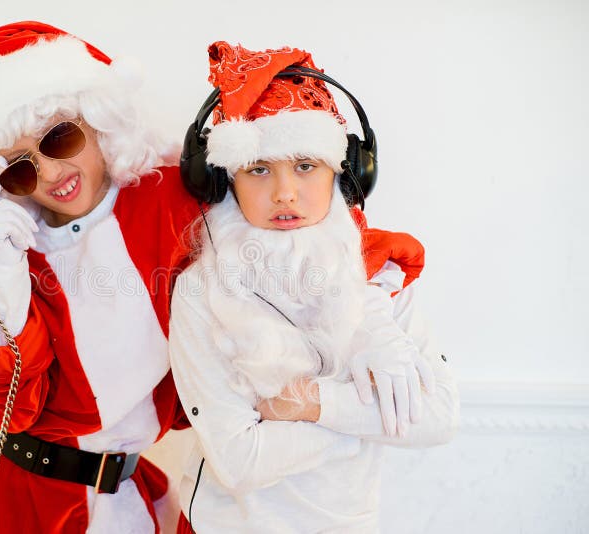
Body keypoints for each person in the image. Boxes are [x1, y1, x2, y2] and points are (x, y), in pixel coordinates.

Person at [168, 41, 460, 533]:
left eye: (305, 165)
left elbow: (439, 417)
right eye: (259, 169)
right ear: (222, 182)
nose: (285, 192)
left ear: (344, 175)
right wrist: (368, 422)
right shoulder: (200, 292)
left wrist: (309, 404)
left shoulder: (383, 278)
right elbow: (238, 461)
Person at [0, 22, 199, 533]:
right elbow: (11, 404)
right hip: (18, 494)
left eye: (60, 137)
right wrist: (6, 271)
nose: (50, 173)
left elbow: (281, 237)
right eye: (20, 166)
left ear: (99, 120)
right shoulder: (5, 242)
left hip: (124, 487)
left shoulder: (170, 200)